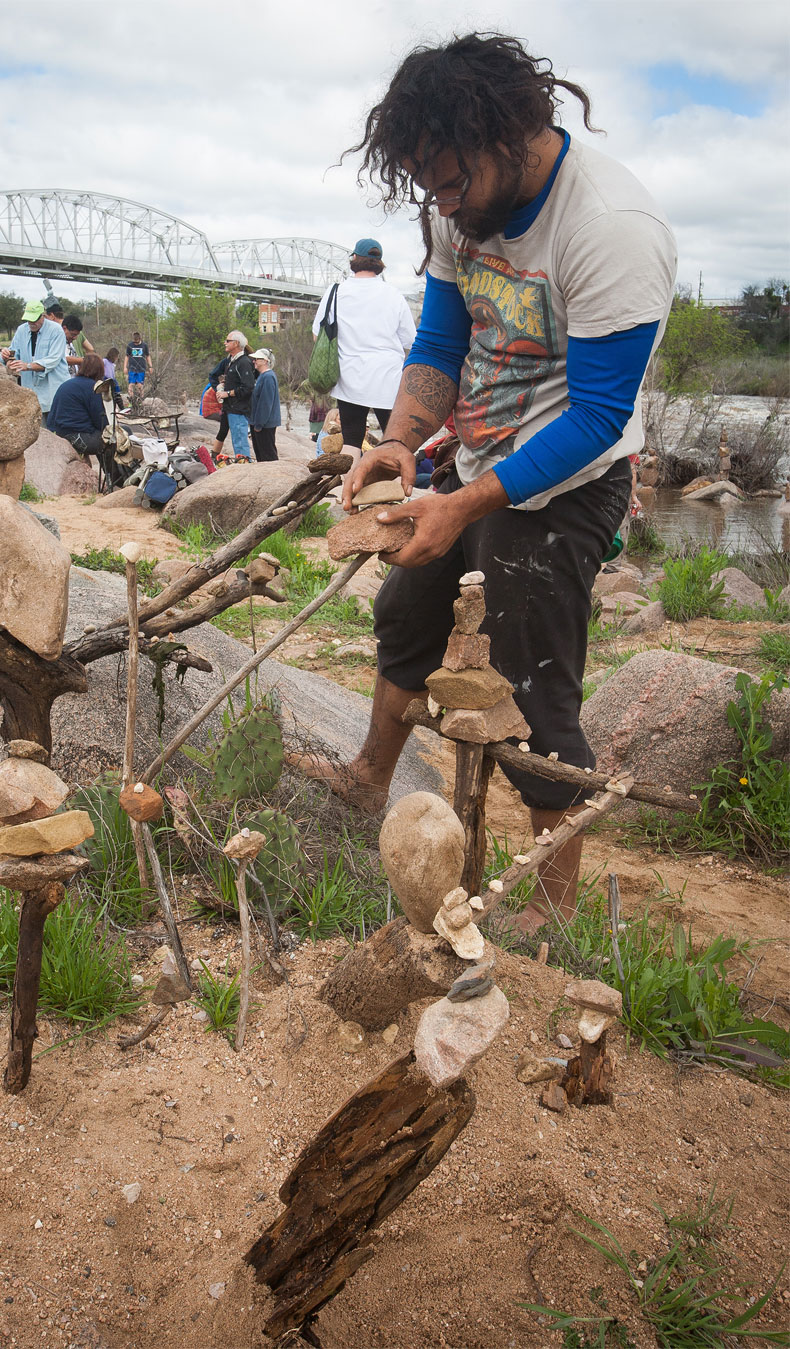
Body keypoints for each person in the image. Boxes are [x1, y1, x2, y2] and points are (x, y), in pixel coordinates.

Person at [297, 32, 676, 934]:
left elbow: (594, 416)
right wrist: (396, 442)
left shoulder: (610, 229)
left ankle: (552, 906)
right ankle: (367, 782)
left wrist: (467, 503)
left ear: (515, 131)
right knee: (407, 615)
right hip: (468, 462)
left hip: (571, 480)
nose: (440, 199)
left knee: (530, 679)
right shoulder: (455, 212)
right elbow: (440, 340)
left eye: (452, 177)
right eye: (426, 182)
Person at [312, 238, 416, 449]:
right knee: (394, 438)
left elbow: (317, 336)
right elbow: (411, 340)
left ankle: (349, 481)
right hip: (388, 378)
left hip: (350, 377)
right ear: (379, 264)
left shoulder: (335, 292)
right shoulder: (394, 295)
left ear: (354, 259)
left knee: (351, 438)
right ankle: (395, 481)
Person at [0, 299, 70, 423]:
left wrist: (28, 366)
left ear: (43, 316)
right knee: (36, 430)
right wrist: (6, 356)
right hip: (31, 390)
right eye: (28, 319)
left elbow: (53, 359)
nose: (31, 322)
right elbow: (14, 351)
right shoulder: (22, 330)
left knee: (56, 429)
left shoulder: (56, 330)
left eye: (35, 319)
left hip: (52, 388)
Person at [46, 351, 108, 469]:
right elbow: (100, 421)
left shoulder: (67, 384)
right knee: (113, 439)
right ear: (100, 370)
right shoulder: (93, 388)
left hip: (59, 434)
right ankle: (116, 477)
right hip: (79, 437)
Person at [217, 330, 256, 463]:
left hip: (239, 409)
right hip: (231, 408)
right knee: (237, 441)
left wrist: (227, 394)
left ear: (236, 343)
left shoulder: (244, 362)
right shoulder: (232, 362)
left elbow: (248, 387)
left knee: (240, 442)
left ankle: (245, 468)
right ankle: (243, 466)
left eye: (228, 341)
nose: (225, 343)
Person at [250, 348, 281, 462]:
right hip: (259, 423)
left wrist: (259, 424)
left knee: (268, 455)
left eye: (257, 359)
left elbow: (265, 403)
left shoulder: (268, 377)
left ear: (265, 361)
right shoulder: (262, 376)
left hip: (265, 425)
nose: (254, 361)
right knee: (260, 454)